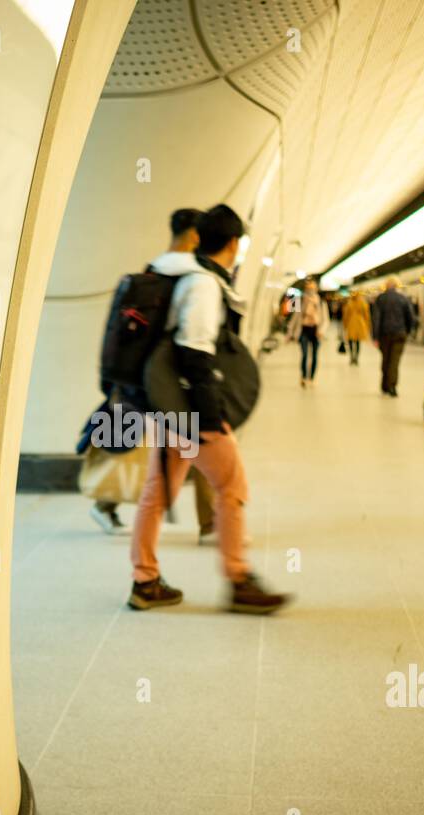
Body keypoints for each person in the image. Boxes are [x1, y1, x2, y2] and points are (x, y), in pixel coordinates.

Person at [128, 204, 289, 614]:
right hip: (188, 408)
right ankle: (238, 579)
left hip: (165, 400)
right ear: (235, 243)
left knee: (157, 491)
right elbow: (194, 350)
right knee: (232, 486)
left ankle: (145, 580)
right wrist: (210, 420)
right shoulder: (203, 284)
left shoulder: (171, 270)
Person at [91, 208, 212, 535]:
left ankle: (211, 520)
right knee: (196, 437)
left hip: (139, 375)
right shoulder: (192, 276)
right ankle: (210, 522)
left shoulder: (152, 270)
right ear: (195, 235)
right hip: (167, 377)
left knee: (182, 440)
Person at [372, 277, 416, 396]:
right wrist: (408, 331)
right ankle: (392, 386)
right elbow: (411, 317)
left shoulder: (380, 299)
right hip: (400, 333)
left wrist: (375, 337)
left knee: (386, 359)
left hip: (384, 334)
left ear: (386, 286)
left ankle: (384, 385)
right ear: (397, 286)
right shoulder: (403, 298)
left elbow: (376, 318)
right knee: (394, 361)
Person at [287, 277, 326, 388]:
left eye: (312, 288)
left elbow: (325, 319)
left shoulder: (321, 302)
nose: (310, 291)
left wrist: (321, 331)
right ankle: (303, 376)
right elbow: (294, 318)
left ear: (316, 289)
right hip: (303, 330)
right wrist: (290, 333)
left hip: (316, 331)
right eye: (308, 288)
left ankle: (311, 378)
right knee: (304, 354)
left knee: (314, 356)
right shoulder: (299, 300)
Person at [341, 288, 371, 366]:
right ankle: (356, 358)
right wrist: (367, 325)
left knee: (351, 341)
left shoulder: (349, 303)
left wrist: (345, 325)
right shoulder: (363, 303)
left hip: (351, 324)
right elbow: (366, 315)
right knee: (357, 342)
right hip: (360, 324)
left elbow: (346, 315)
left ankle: (352, 357)